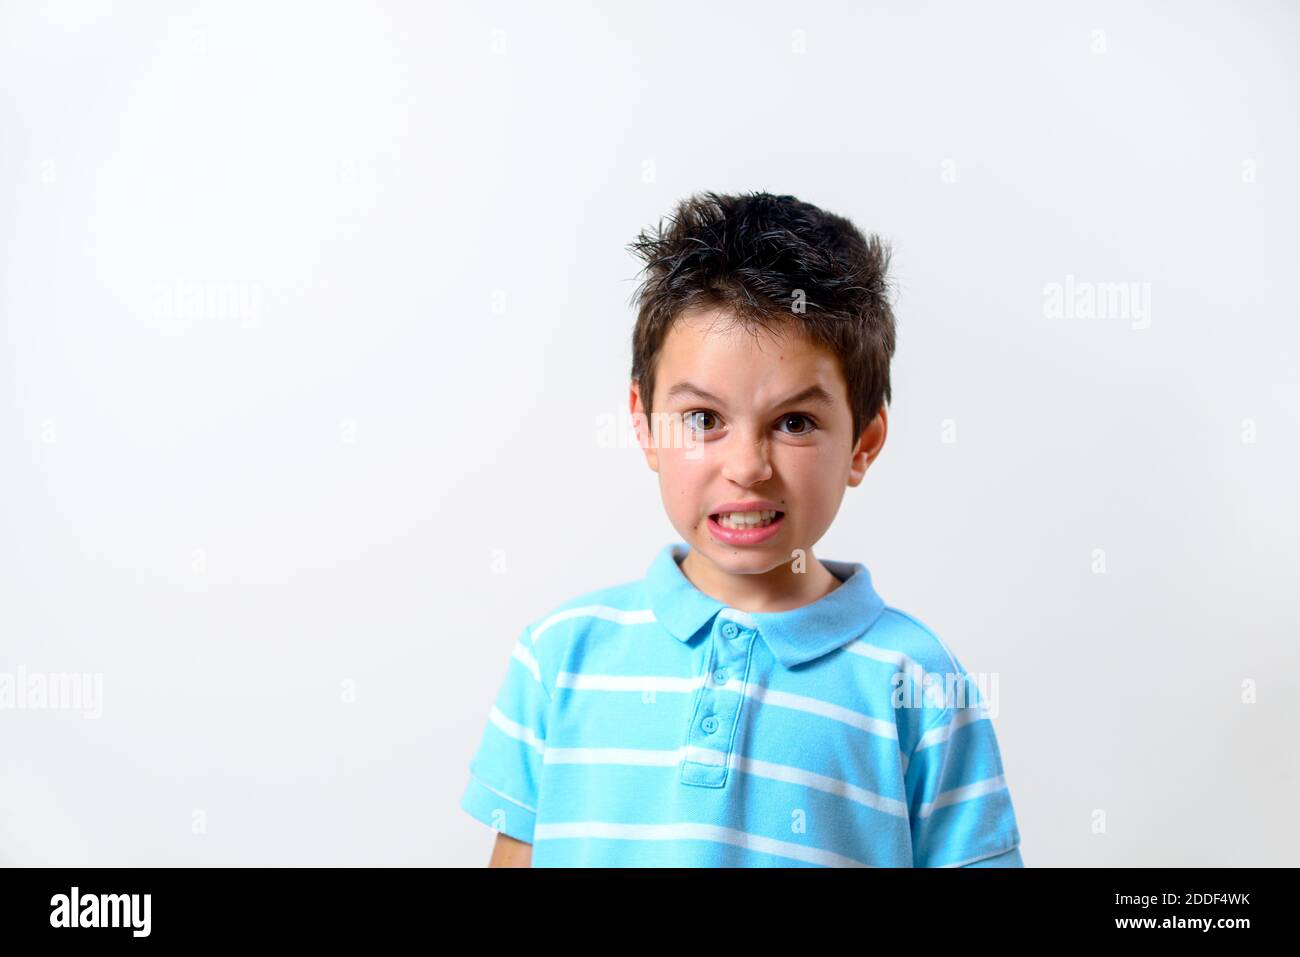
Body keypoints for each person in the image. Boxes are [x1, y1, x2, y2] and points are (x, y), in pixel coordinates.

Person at [460, 190, 1024, 867]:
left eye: (794, 423)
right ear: (643, 424)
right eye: (703, 418)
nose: (748, 467)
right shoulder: (558, 658)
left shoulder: (920, 683)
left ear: (864, 443)